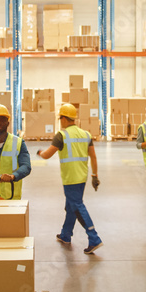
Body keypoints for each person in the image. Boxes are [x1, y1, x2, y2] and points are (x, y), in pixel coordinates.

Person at [37, 103, 102, 254]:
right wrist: (95, 175)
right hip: (82, 177)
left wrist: (40, 152)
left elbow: (47, 155)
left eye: (60, 118)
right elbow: (93, 156)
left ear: (65, 119)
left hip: (70, 179)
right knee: (71, 206)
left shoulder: (62, 135)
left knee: (78, 206)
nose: (60, 121)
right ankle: (66, 235)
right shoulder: (86, 134)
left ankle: (94, 238)